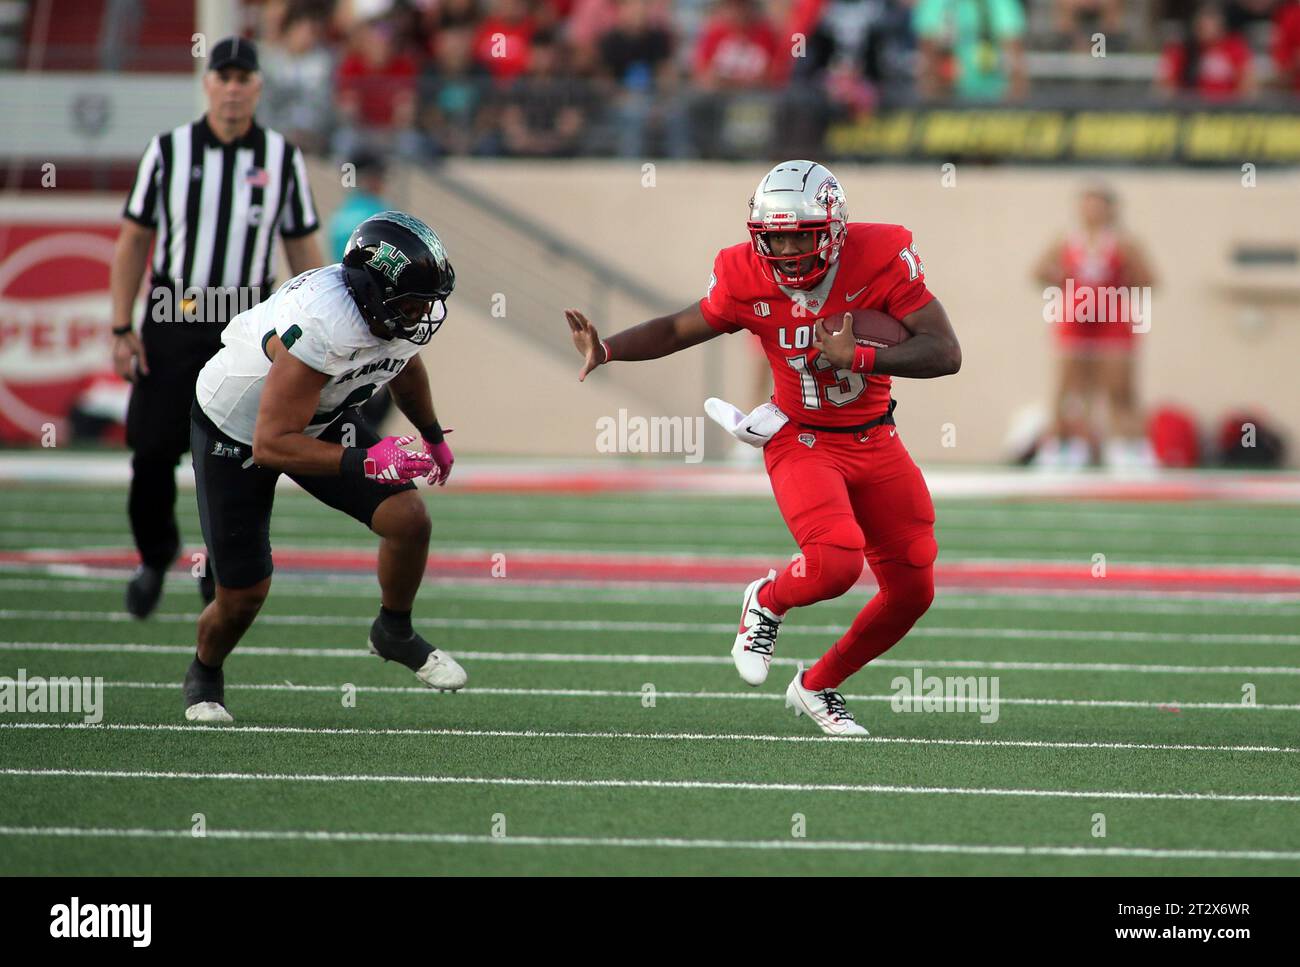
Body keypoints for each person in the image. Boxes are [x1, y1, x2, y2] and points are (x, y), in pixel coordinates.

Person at [566, 160, 961, 736]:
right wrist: (609, 351)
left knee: (913, 588)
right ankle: (768, 601)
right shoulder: (744, 271)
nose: (786, 252)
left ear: (834, 231)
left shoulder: (880, 254)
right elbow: (681, 329)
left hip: (877, 436)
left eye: (799, 238)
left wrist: (862, 357)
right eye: (773, 238)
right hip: (799, 439)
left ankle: (818, 685)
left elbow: (945, 352)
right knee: (836, 562)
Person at [183, 211, 463, 722]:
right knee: (244, 596)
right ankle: (205, 671)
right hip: (237, 430)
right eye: (413, 302)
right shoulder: (320, 325)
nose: (423, 313)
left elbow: (406, 365)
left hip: (318, 413)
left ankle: (393, 631)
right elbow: (271, 445)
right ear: (372, 291)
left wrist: (431, 434)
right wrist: (368, 460)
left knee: (409, 519)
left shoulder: (387, 313)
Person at [111, 36, 322, 619]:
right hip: (174, 316)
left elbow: (303, 245)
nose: (232, 88)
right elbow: (134, 238)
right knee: (152, 449)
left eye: (243, 78)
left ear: (258, 86)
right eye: (222, 77)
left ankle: (224, 565)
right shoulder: (168, 151)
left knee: (242, 453)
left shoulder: (281, 158)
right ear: (207, 83)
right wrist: (119, 323)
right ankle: (155, 556)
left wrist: (323, 327)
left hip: (247, 323)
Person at [1032, 183, 1156, 469]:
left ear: (1110, 209)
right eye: (1087, 204)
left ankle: (1130, 448)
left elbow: (1149, 279)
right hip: (1075, 322)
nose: (1092, 211)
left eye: (1098, 205)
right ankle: (1062, 447)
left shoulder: (1124, 243)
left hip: (1112, 322)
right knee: (1068, 389)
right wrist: (1062, 278)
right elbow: (1038, 271)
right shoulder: (1065, 241)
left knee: (1119, 389)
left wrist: (1120, 281)